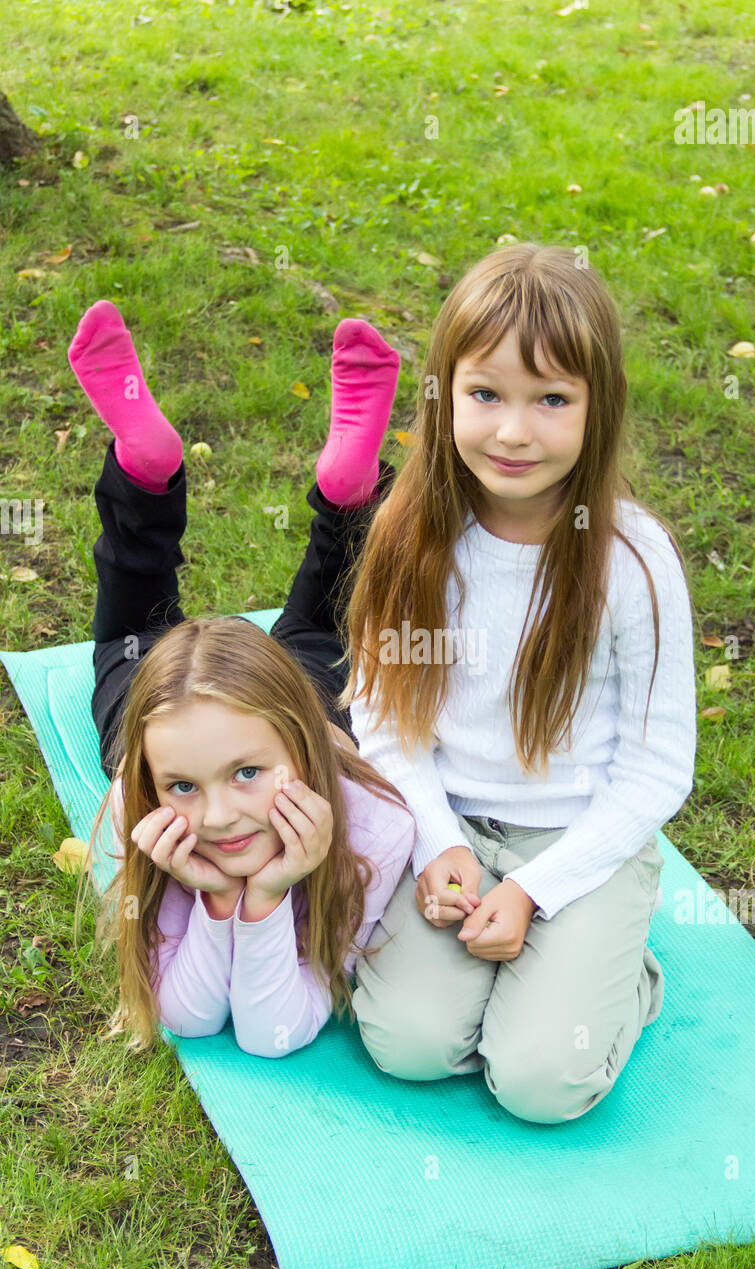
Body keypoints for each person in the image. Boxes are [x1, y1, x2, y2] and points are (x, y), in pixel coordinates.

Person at [337, 243, 698, 1125]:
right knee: (407, 1045)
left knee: (541, 1084)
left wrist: (537, 891)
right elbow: (386, 719)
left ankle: (622, 974)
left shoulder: (633, 561)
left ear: (596, 407)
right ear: (445, 392)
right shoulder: (413, 533)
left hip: (578, 838)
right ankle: (527, 978)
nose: (512, 432)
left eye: (552, 400)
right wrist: (436, 845)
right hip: (455, 829)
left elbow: (657, 770)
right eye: (486, 394)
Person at [69, 301, 416, 1058]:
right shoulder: (143, 822)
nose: (220, 817)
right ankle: (348, 492)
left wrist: (260, 901)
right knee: (317, 631)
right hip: (184, 717)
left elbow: (275, 1034)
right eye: (184, 786)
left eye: (249, 773)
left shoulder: (376, 831)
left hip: (183, 712)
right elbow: (187, 1016)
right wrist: (226, 900)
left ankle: (145, 469)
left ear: (300, 741)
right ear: (153, 783)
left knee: (128, 636)